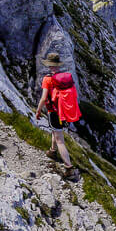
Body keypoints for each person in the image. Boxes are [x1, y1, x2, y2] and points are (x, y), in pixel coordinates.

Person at [34, 52, 82, 182]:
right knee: (56, 132)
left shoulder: (47, 79)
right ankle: (52, 151)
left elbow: (44, 98)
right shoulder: (65, 78)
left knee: (60, 139)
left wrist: (38, 111)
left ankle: (69, 168)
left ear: (49, 65)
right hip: (64, 112)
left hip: (54, 112)